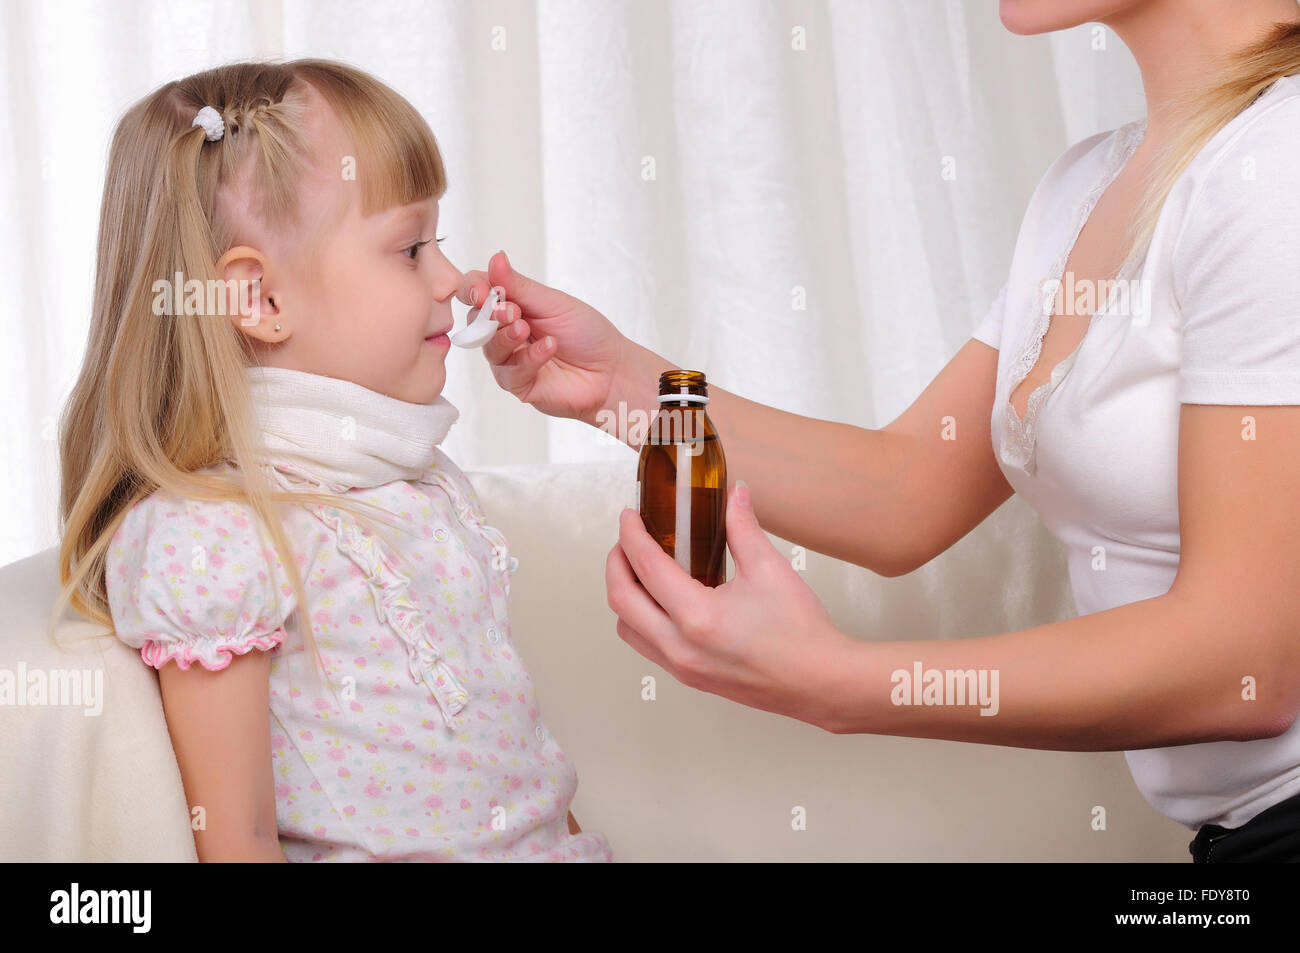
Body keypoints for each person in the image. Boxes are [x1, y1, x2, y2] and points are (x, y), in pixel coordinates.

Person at [457, 0, 1300, 861]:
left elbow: (1246, 667)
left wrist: (840, 683)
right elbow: (906, 490)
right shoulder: (1090, 185)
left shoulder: (1278, 165)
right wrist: (623, 388)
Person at [53, 59, 611, 862]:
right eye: (411, 247)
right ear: (260, 301)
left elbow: (521, 768)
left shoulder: (413, 482)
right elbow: (236, 840)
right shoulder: (216, 533)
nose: (453, 279)